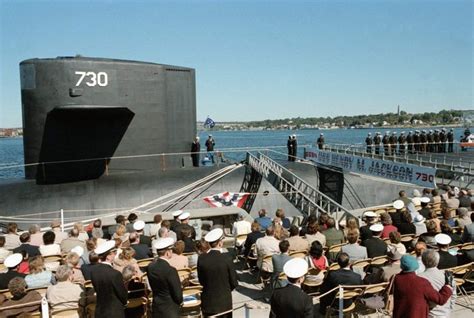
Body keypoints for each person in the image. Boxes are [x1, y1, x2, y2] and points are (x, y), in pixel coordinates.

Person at [198, 228, 238, 317]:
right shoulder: (226, 258)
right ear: (220, 242)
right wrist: (225, 290)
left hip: (208, 301)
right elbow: (234, 282)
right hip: (224, 302)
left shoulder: (202, 258)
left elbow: (201, 280)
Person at [147, 237, 183, 318]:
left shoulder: (150, 267)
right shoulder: (171, 270)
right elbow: (177, 295)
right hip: (170, 309)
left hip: (157, 307)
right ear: (167, 253)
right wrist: (180, 302)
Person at [91, 240, 128, 318]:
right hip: (114, 312)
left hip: (100, 311)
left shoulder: (93, 271)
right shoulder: (115, 274)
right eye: (114, 253)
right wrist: (125, 302)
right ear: (108, 256)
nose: (115, 255)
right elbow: (122, 294)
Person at [418, 249, 454, 318]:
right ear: (438, 261)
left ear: (422, 261)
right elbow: (453, 294)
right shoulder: (447, 275)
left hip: (430, 313)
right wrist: (449, 309)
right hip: (445, 312)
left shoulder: (419, 278)